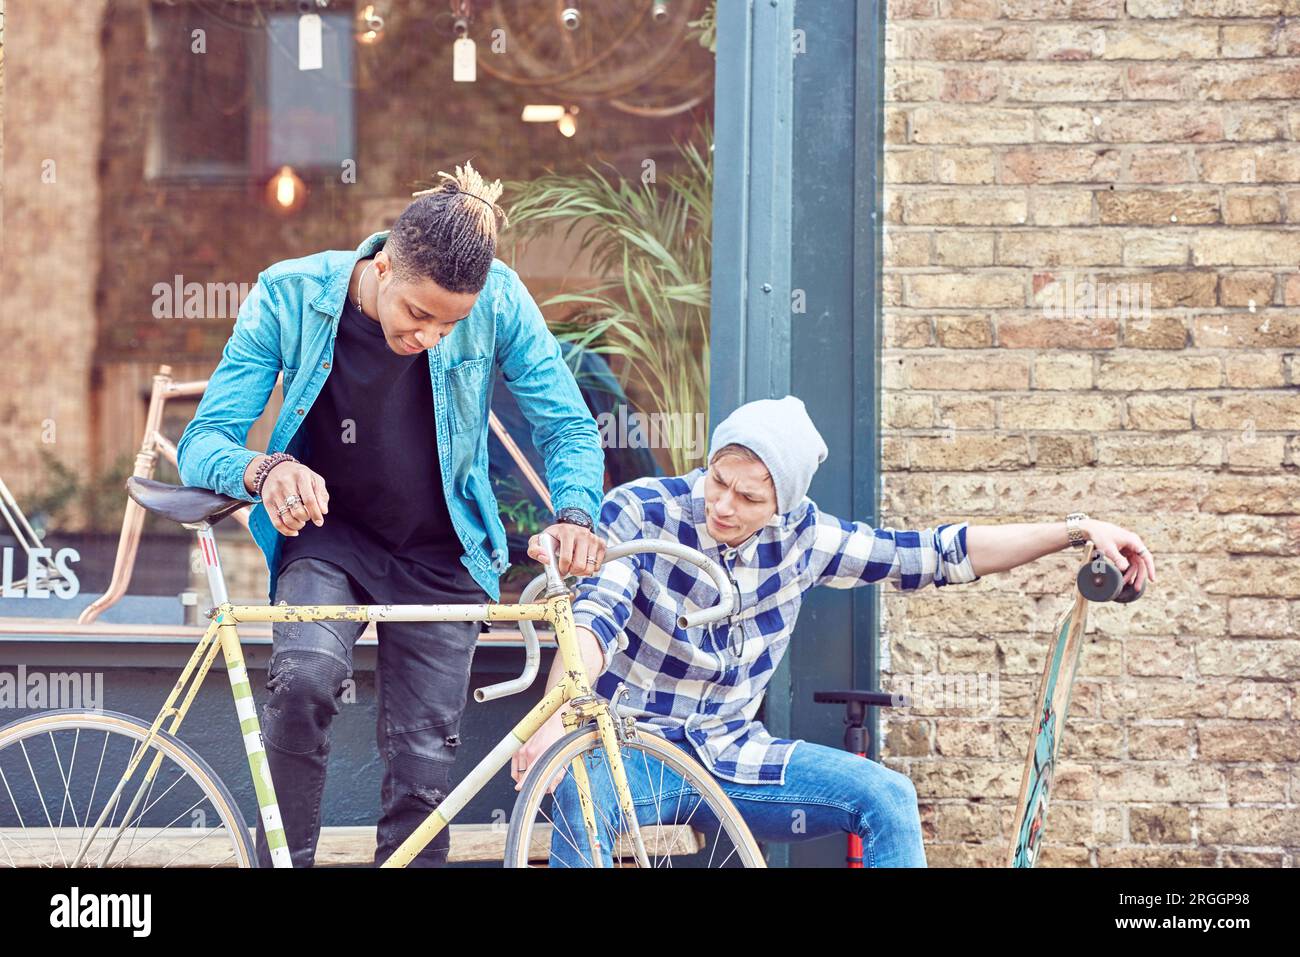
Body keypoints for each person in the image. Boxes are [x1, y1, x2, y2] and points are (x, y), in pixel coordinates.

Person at [177, 162, 607, 868]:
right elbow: (203, 443)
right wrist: (267, 469)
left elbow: (568, 425)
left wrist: (575, 514)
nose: (431, 335)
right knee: (307, 677)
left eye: (451, 323)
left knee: (422, 761)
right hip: (328, 538)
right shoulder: (289, 294)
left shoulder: (499, 298)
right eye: (417, 313)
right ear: (382, 266)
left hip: (443, 550)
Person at [514, 395, 1155, 867]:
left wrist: (1074, 531)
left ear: (784, 503)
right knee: (578, 794)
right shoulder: (642, 510)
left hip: (734, 755)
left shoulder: (804, 538)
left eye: (749, 497)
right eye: (718, 481)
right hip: (633, 752)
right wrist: (553, 715)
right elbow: (596, 617)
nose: (724, 505)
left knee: (886, 795)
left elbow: (931, 553)